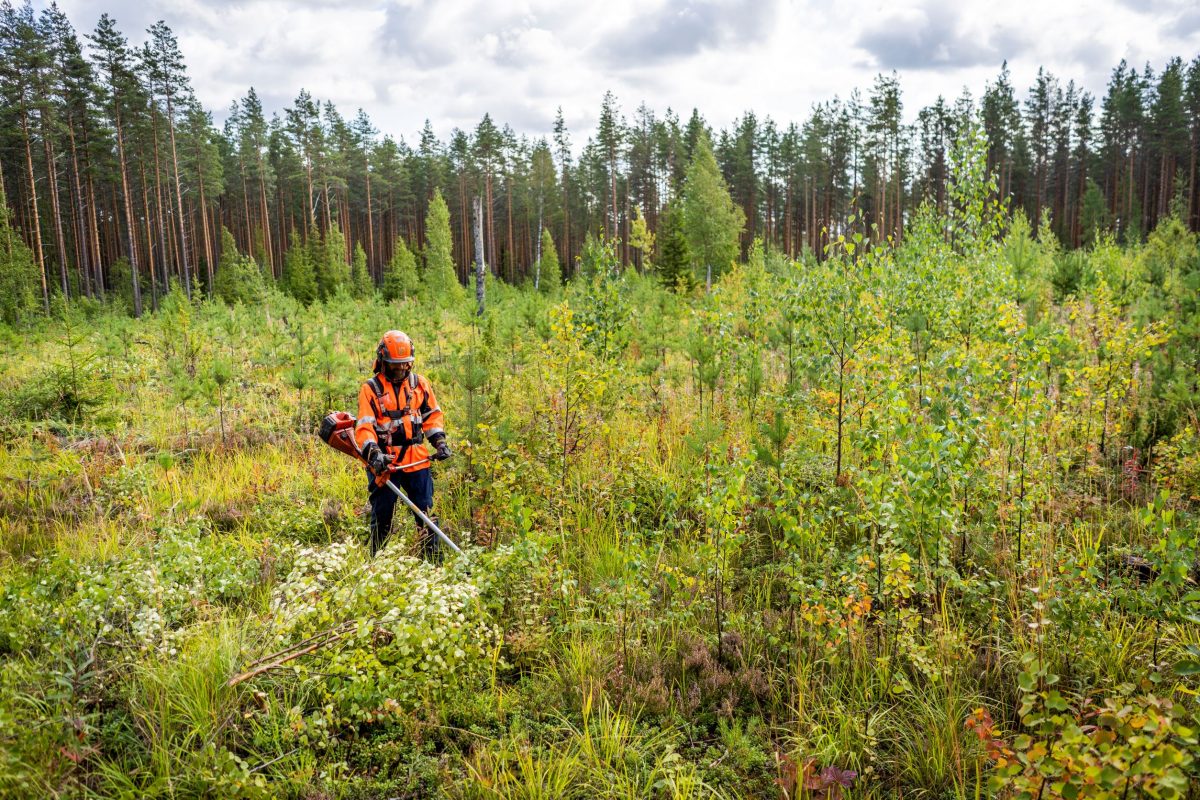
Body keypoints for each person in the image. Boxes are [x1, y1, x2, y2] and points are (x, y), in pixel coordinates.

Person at [354, 330, 452, 558]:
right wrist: (374, 454)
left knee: (426, 513)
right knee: (383, 514)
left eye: (404, 365)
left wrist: (439, 442)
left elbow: (432, 416)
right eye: (394, 366)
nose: (400, 370)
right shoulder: (370, 389)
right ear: (382, 362)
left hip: (417, 461)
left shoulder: (420, 384)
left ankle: (433, 563)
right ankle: (377, 562)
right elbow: (365, 427)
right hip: (385, 465)